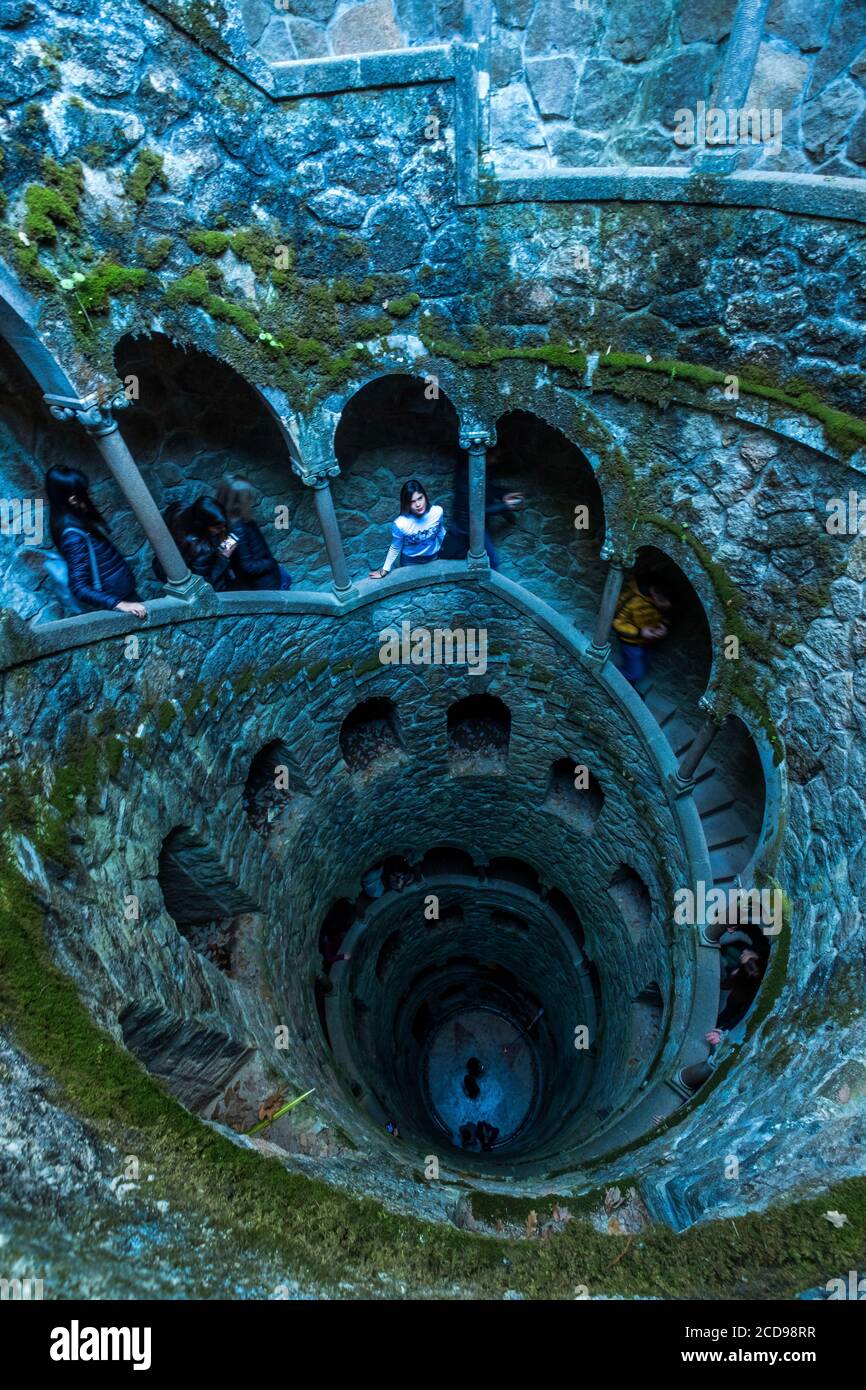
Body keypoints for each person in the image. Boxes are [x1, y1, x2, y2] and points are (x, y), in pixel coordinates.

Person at [45, 466, 146, 618]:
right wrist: (120, 604)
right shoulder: (72, 536)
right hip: (117, 601)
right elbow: (79, 587)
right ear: (72, 500)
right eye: (85, 492)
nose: (90, 494)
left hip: (118, 594)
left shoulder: (69, 517)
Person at [440, 452, 523, 569]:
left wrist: (503, 495)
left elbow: (485, 489)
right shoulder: (467, 474)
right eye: (495, 456)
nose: (495, 461)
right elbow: (475, 510)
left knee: (489, 561)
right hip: (467, 527)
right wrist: (504, 505)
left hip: (471, 525)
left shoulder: (473, 470)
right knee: (491, 562)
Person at [216, 476, 292, 591]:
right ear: (237, 503)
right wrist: (271, 562)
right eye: (248, 497)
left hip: (267, 578)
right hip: (266, 584)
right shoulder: (236, 529)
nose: (252, 499)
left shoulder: (235, 522)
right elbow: (248, 567)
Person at [369, 479, 446, 578]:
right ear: (406, 504)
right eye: (412, 501)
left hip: (434, 556)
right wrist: (385, 569)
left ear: (425, 497)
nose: (418, 504)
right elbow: (396, 546)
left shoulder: (437, 512)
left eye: (420, 498)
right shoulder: (400, 524)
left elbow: (440, 532)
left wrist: (448, 552)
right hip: (410, 561)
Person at [156, 496, 236, 591]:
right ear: (202, 525)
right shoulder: (201, 551)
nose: (223, 529)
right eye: (218, 527)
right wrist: (223, 557)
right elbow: (205, 584)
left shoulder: (178, 510)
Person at [612, 571, 673, 687]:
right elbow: (617, 622)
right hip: (631, 641)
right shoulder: (631, 598)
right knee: (635, 673)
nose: (664, 608)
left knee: (643, 664)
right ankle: (610, 676)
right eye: (662, 605)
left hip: (648, 642)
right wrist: (640, 632)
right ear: (654, 595)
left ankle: (628, 684)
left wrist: (664, 626)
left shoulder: (664, 596)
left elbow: (667, 615)